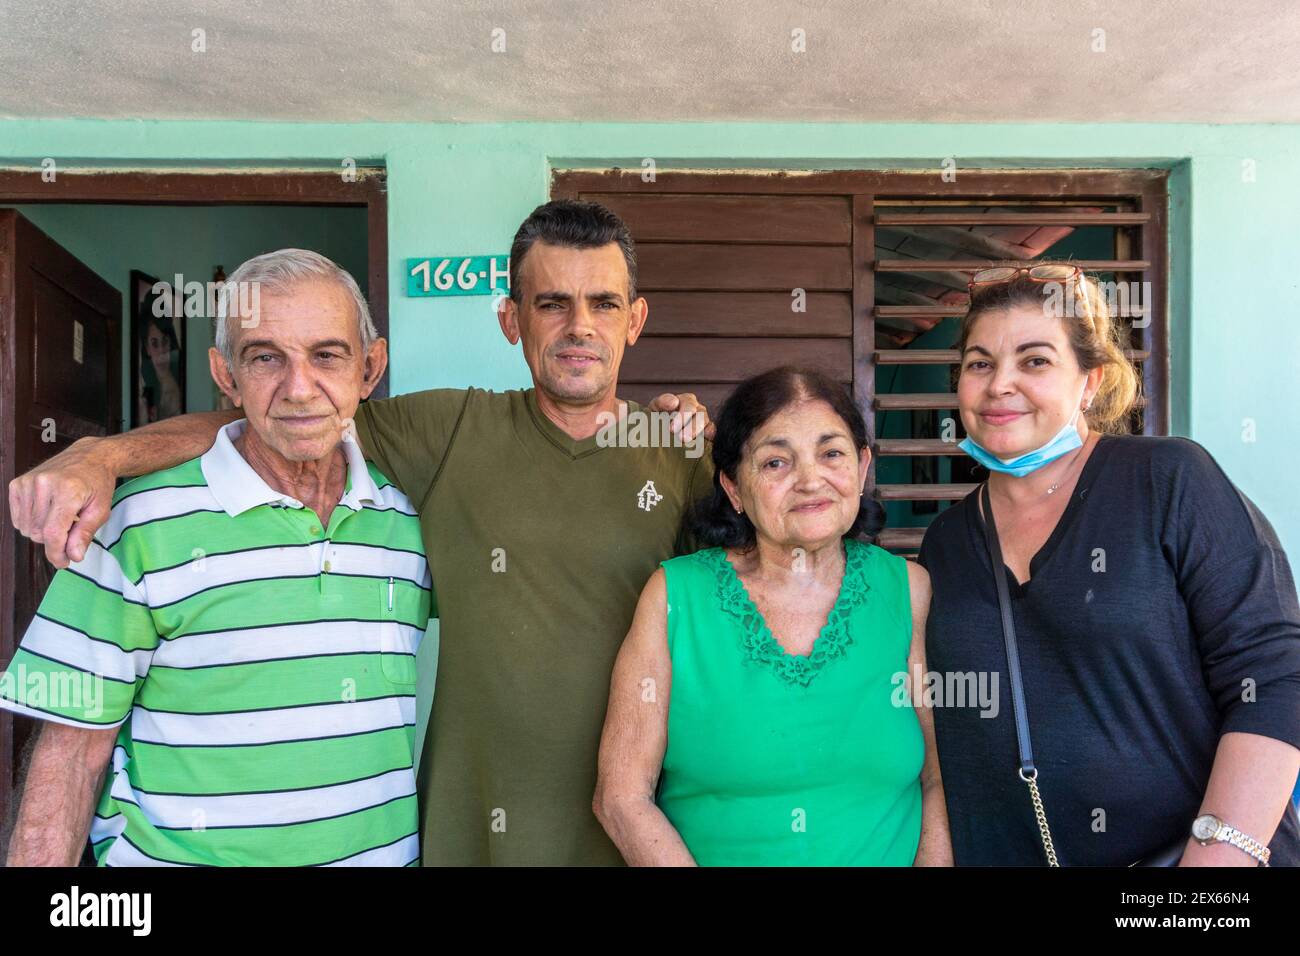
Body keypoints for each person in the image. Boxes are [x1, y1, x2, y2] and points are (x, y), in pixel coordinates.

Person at [6, 200, 713, 866]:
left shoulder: (686, 457)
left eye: (604, 303)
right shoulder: (444, 436)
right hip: (472, 841)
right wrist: (98, 456)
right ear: (511, 320)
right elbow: (281, 423)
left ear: (635, 319)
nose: (579, 326)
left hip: (642, 827)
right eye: (551, 302)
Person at [1, 249, 431, 865]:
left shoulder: (409, 518)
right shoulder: (135, 524)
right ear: (226, 377)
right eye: (265, 358)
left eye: (327, 355)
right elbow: (68, 760)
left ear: (370, 368)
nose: (300, 388)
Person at [919, 263, 1300, 866]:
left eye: (1035, 360)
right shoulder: (946, 543)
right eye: (979, 363)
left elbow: (1276, 677)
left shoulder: (1169, 480)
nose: (1000, 385)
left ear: (1091, 382)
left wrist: (1212, 870)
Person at [594, 367, 952, 865]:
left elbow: (940, 777)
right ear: (734, 488)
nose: (810, 480)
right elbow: (621, 798)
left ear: (863, 466)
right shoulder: (675, 597)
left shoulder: (909, 592)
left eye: (831, 453)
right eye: (776, 462)